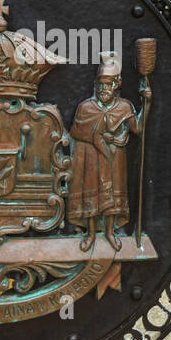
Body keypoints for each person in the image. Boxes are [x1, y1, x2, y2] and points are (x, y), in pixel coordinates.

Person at [68, 52, 143, 252]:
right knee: (92, 195)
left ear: (116, 85)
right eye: (100, 85)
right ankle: (91, 233)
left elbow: (138, 129)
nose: (103, 89)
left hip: (115, 157)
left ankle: (110, 231)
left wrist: (146, 103)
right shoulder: (86, 107)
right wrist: (96, 136)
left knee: (113, 196)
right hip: (91, 158)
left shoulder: (124, 106)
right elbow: (76, 131)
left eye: (107, 85)